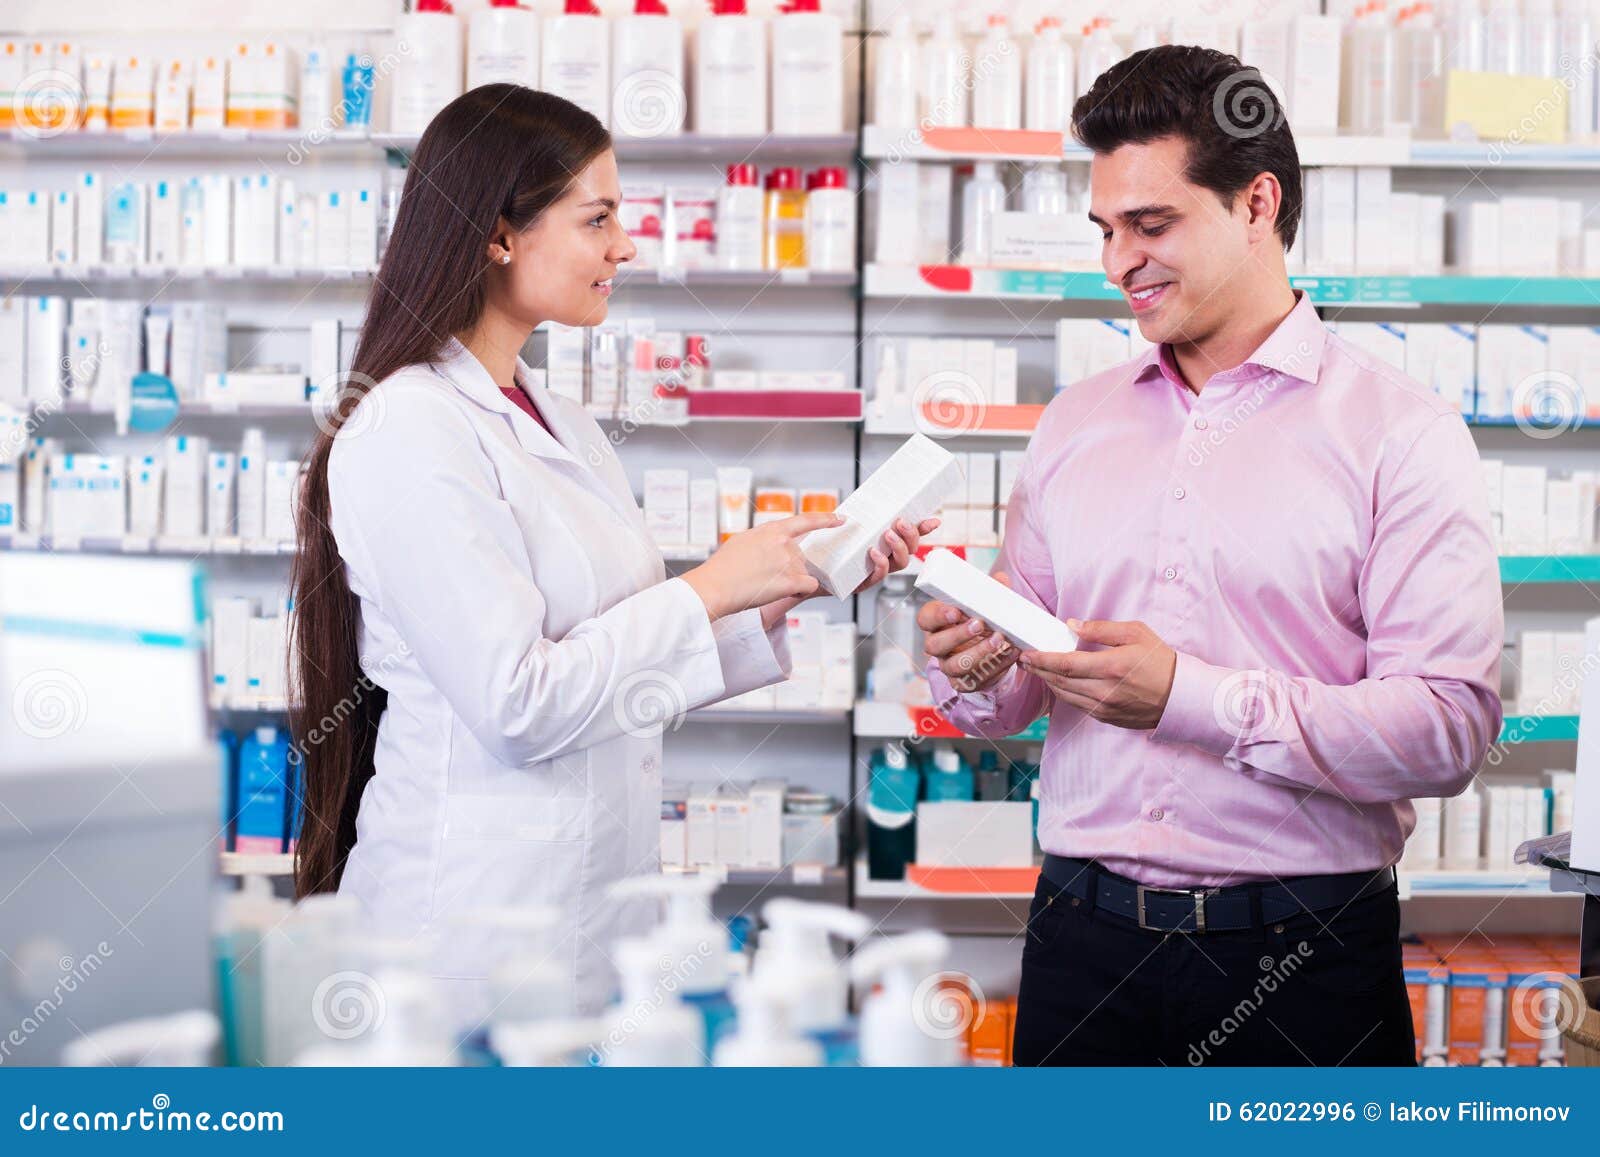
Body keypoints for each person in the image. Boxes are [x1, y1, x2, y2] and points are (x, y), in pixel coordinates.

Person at [288, 86, 934, 1020]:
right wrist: (710, 585)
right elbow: (518, 702)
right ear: (499, 233)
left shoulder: (561, 418)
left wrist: (790, 582)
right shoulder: (406, 427)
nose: (625, 247)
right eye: (598, 219)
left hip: (592, 924)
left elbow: (618, 656)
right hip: (466, 939)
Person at [919, 46, 1503, 1066]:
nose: (1115, 263)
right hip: (1079, 943)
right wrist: (970, 653)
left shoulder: (1398, 431)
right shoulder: (1075, 423)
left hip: (1303, 959)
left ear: (1255, 203)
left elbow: (1448, 727)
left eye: (1150, 225)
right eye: (1105, 230)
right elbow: (1001, 704)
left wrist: (1185, 695)